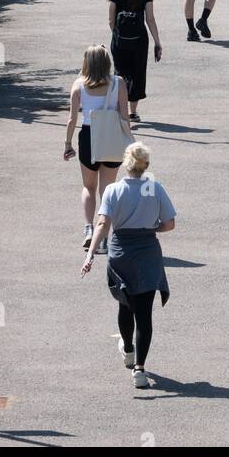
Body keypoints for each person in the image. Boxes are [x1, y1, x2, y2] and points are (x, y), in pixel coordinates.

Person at [80, 142, 176, 390]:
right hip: (147, 253)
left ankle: (129, 349)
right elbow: (169, 224)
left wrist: (90, 255)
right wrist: (151, 228)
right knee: (144, 314)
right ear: (146, 166)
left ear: (125, 163)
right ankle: (140, 370)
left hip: (121, 252)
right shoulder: (155, 189)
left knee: (125, 302)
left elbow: (102, 225)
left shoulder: (113, 190)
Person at [64, 45, 129, 255]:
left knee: (88, 187)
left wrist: (68, 144)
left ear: (87, 63)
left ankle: (89, 228)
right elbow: (125, 116)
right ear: (107, 62)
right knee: (107, 191)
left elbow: (72, 119)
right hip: (111, 137)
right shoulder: (118, 83)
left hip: (88, 137)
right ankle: (103, 239)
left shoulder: (78, 85)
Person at [108, 0, 162, 121]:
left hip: (119, 40)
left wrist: (117, 34)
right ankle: (132, 112)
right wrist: (157, 42)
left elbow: (111, 20)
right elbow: (150, 19)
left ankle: (120, 109)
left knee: (121, 73)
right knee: (138, 73)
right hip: (139, 40)